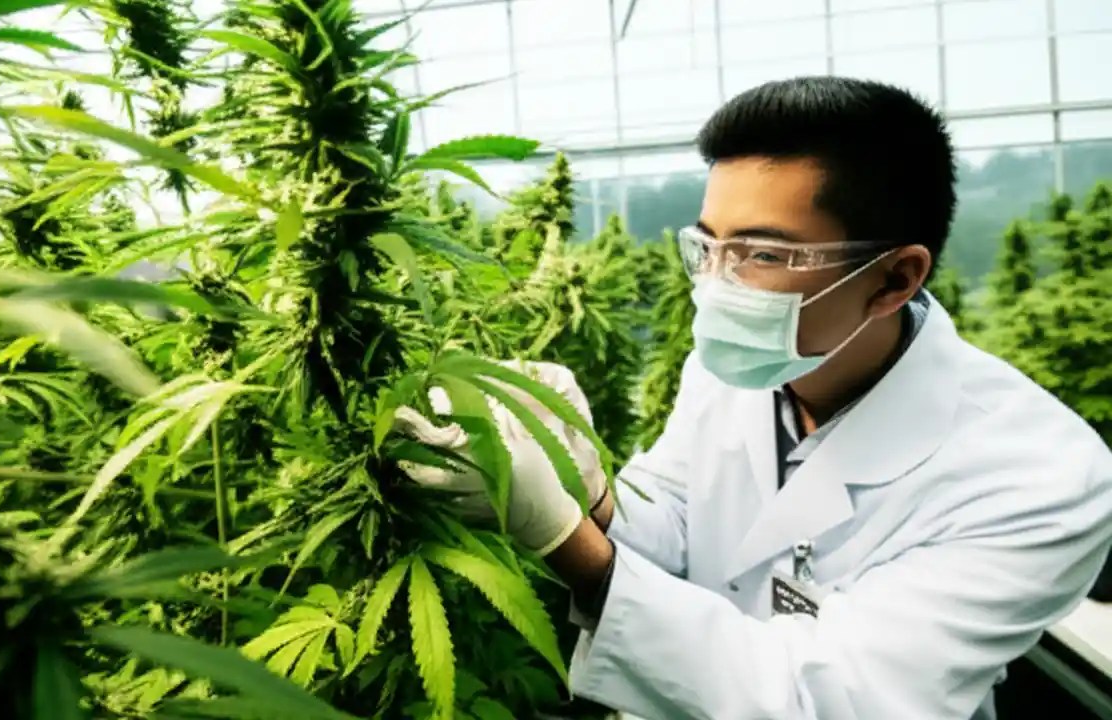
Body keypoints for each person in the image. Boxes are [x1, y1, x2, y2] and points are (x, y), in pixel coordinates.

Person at [393, 76, 1112, 720]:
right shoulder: (736, 368)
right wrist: (583, 489)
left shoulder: (1044, 478)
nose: (715, 285)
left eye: (763, 255)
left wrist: (562, 537)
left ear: (896, 278)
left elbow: (829, 699)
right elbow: (675, 519)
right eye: (707, 247)